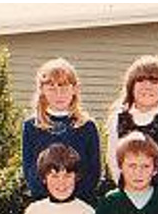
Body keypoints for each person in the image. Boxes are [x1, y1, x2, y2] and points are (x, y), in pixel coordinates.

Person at [105, 56, 158, 190]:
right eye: (140, 80)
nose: (147, 86)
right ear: (131, 86)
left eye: (154, 81)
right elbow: (113, 161)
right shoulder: (117, 119)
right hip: (128, 195)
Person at [22, 58, 100, 201]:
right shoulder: (31, 126)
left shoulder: (87, 126)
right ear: (42, 91)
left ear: (75, 89)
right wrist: (52, 197)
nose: (59, 94)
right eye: (52, 88)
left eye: (64, 87)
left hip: (80, 203)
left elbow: (93, 172)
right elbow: (29, 171)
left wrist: (70, 196)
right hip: (44, 204)